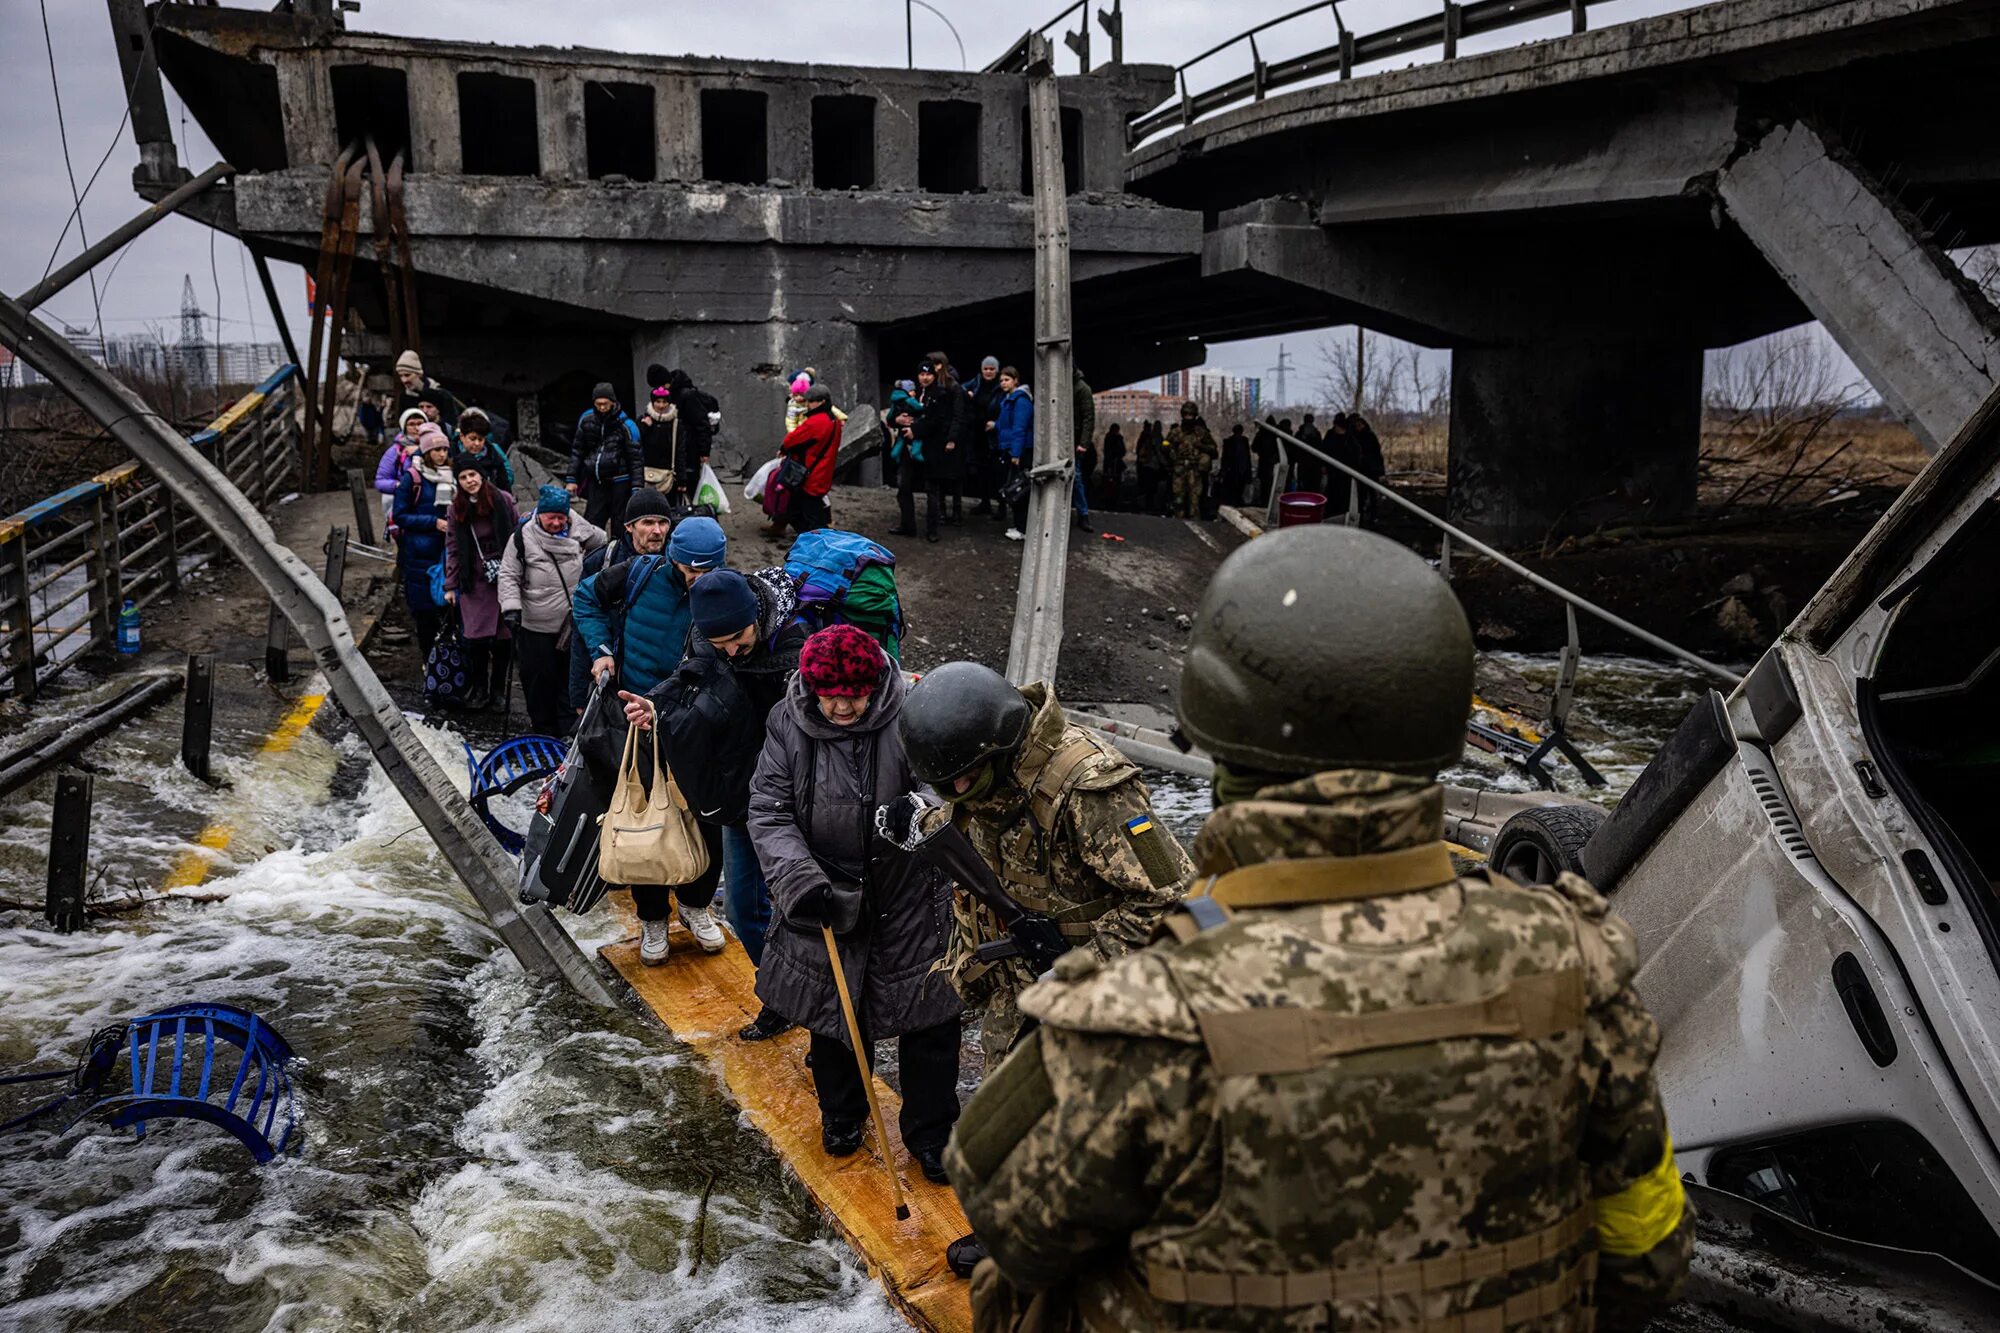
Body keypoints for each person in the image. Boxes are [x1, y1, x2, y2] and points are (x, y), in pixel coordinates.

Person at [946, 525, 1694, 1332]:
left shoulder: (1139, 1017)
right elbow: (1647, 1257)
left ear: (1219, 734)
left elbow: (1009, 1231)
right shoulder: (1574, 959)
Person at [896, 661, 1191, 1074]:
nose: (961, 790)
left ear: (999, 745)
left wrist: (1078, 970)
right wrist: (922, 824)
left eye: (969, 778)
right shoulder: (990, 769)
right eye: (951, 784)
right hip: (1016, 1004)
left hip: (1101, 1006)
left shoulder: (1090, 787)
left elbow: (1171, 901)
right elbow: (987, 818)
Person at [748, 625, 963, 1177]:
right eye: (831, 695)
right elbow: (769, 810)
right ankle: (842, 1114)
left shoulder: (913, 711)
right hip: (827, 893)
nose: (843, 706)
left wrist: (916, 812)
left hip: (911, 895)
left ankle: (932, 1134)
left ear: (875, 684)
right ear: (812, 688)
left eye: (856, 694)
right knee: (835, 1015)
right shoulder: (786, 722)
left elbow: (947, 787)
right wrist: (799, 879)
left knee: (931, 1022)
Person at [623, 567, 806, 1039]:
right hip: (740, 793)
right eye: (717, 641)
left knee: (801, 908)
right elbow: (692, 678)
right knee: (745, 909)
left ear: (756, 620)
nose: (728, 650)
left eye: (736, 639)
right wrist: (656, 706)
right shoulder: (707, 634)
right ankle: (779, 999)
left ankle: (822, 1015)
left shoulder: (796, 644)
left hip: (796, 798)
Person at [573, 511, 730, 964]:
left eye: (707, 570)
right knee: (642, 816)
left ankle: (697, 907)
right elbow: (585, 598)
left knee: (707, 815)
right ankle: (653, 918)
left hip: (696, 722)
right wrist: (601, 652)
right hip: (637, 719)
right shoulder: (640, 572)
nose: (698, 578)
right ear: (674, 560)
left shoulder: (725, 591)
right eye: (690, 569)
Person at [498, 485, 608, 737]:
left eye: (562, 517)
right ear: (540, 514)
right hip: (535, 625)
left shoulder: (580, 529)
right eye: (552, 518)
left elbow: (603, 544)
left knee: (569, 681)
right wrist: (511, 608)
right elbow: (508, 574)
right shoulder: (522, 538)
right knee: (538, 681)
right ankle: (543, 730)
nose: (558, 523)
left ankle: (567, 732)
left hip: (571, 625)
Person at [566, 488, 669, 717]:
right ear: (629, 526)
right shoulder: (603, 562)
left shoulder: (675, 565)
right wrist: (579, 693)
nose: (657, 531)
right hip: (610, 677)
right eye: (648, 522)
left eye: (663, 523)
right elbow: (582, 632)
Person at [442, 453, 518, 712]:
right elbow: (452, 546)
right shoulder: (457, 508)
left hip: (504, 575)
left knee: (502, 637)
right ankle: (479, 688)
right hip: (473, 579)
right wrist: (451, 585)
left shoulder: (503, 500)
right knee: (475, 637)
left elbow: (518, 535)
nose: (469, 481)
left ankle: (497, 691)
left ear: (481, 476)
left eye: (472, 475)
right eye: (463, 477)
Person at [392, 426, 456, 660]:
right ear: (427, 451)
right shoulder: (413, 478)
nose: (441, 454)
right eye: (437, 450)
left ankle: (448, 662)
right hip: (420, 553)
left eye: (444, 450)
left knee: (448, 611)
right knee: (425, 614)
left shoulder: (452, 475)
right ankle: (428, 659)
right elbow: (400, 515)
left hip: (447, 550)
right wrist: (433, 522)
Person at [567, 382, 644, 544]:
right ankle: (592, 559)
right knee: (591, 524)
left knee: (620, 525)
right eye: (598, 404)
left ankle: (619, 557)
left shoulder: (626, 426)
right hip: (597, 481)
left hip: (620, 481)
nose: (602, 407)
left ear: (613, 402)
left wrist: (637, 487)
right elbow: (577, 451)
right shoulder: (587, 421)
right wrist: (572, 479)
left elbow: (635, 458)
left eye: (605, 404)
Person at [776, 382, 842, 535]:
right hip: (823, 471)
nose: (808, 404)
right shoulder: (834, 421)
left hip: (810, 474)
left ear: (822, 402)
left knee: (807, 514)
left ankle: (816, 542)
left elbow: (791, 440)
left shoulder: (817, 421)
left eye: (811, 401)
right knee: (811, 509)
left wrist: (784, 449)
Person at [994, 366, 1033, 541]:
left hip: (1019, 450)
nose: (1003, 383)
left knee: (1019, 489)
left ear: (1015, 380)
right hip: (1011, 448)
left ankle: (1022, 528)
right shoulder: (1009, 399)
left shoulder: (1020, 401)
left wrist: (1016, 453)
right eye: (1001, 380)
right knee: (1016, 488)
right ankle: (1020, 525)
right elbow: (1007, 424)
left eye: (1007, 380)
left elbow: (1020, 428)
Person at [375, 407, 428, 535]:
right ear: (404, 427)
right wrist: (399, 485)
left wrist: (418, 452)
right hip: (405, 501)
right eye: (411, 424)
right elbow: (380, 481)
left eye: (420, 423)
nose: (416, 428)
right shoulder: (395, 451)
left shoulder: (437, 446)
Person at [966, 355, 1006, 517]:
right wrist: (967, 393)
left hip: (995, 436)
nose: (988, 372)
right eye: (986, 369)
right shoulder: (976, 383)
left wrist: (997, 424)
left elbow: (1006, 410)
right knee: (981, 472)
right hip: (978, 435)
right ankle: (985, 503)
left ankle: (1002, 507)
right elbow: (958, 388)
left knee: (998, 474)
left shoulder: (1001, 386)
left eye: (992, 369)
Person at [1166, 401, 1218, 520]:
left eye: (1191, 415)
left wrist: (1201, 446)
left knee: (1195, 500)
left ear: (1195, 416)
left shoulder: (1201, 432)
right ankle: (1178, 523)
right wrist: (1170, 450)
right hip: (1179, 469)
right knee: (1178, 499)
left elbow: (1214, 450)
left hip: (1195, 471)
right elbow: (1165, 444)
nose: (1188, 418)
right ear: (1182, 415)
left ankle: (1195, 524)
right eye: (1186, 415)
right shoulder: (1175, 432)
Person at [393, 349, 460, 429]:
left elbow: (452, 425)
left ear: (419, 374)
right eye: (401, 376)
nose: (404, 380)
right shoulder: (405, 397)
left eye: (407, 375)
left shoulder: (442, 395)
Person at [454, 408, 514, 494]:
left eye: (480, 439)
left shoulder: (494, 455)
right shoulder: (451, 452)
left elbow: (505, 483)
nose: (477, 443)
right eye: (472, 439)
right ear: (462, 436)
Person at [1351, 412, 1387, 527]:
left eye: (1360, 425)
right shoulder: (1355, 438)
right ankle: (1362, 516)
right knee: (1361, 496)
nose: (1358, 427)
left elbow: (1377, 454)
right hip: (1362, 471)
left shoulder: (1370, 437)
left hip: (1371, 470)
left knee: (1372, 495)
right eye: (1356, 425)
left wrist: (1381, 471)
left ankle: (1373, 516)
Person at [1071, 367, 1095, 533]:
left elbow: (1088, 417)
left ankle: (1083, 514)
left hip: (1075, 440)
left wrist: (1084, 443)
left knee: (1076, 478)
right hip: (1063, 438)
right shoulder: (1063, 385)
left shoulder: (1082, 388)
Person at [1219, 422, 1251, 508]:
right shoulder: (1230, 442)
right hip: (1233, 468)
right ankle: (1234, 502)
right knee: (1233, 488)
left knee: (1239, 487)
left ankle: (1237, 502)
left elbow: (1247, 457)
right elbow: (1225, 457)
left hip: (1241, 468)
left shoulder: (1244, 441)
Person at [1251, 415, 1280, 506]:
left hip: (1267, 461)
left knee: (1265, 483)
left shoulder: (1262, 433)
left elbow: (1254, 447)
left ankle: (1265, 501)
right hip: (1270, 462)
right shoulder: (1276, 434)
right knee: (1270, 483)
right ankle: (1268, 501)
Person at [1133, 421, 1160, 515]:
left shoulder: (1146, 438)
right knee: (1149, 487)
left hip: (1145, 464)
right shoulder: (1153, 439)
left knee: (1145, 486)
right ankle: (1147, 505)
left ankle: (1144, 505)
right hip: (1151, 465)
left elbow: (1138, 450)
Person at [1099, 422, 1125, 510]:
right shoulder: (1113, 438)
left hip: (1114, 464)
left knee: (1113, 482)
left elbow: (1122, 451)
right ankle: (1110, 500)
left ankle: (1111, 500)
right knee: (1110, 482)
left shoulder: (1114, 438)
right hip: (1112, 464)